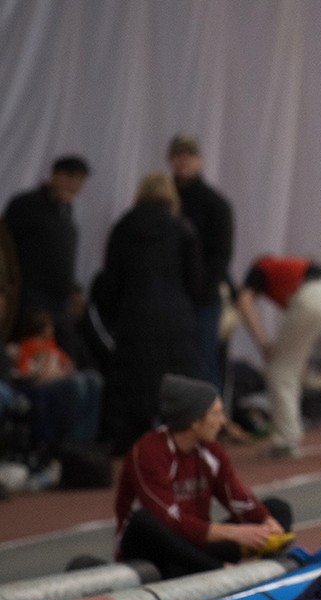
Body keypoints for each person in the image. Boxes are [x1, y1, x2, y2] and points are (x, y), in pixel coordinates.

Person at [115, 373, 293, 579]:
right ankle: (220, 571)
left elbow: (236, 496)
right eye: (216, 414)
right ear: (194, 421)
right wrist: (235, 533)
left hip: (196, 546)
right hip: (158, 551)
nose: (223, 421)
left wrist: (266, 521)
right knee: (143, 522)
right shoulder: (149, 451)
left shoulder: (210, 449)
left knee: (277, 508)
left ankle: (231, 566)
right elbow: (169, 520)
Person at [95, 172, 203, 454]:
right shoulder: (182, 229)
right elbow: (195, 280)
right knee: (178, 382)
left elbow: (111, 278)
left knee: (135, 387)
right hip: (176, 317)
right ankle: (181, 443)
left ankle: (136, 448)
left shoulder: (123, 227)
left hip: (135, 315)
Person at [236, 256, 321, 458]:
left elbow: (244, 301)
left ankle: (286, 441)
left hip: (315, 297)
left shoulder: (261, 267)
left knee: (280, 372)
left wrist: (262, 344)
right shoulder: (295, 267)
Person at [2, 155, 90, 353]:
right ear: (54, 175)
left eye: (79, 180)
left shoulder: (66, 213)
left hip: (59, 305)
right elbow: (6, 248)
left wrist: (74, 291)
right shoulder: (26, 205)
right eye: (70, 177)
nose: (74, 185)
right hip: (30, 300)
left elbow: (61, 259)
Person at [167, 133, 234, 391]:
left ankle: (211, 425)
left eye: (190, 155)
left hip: (203, 301)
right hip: (171, 298)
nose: (184, 161)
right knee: (172, 364)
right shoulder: (163, 202)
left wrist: (198, 290)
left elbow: (221, 257)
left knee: (203, 363)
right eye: (179, 155)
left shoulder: (216, 204)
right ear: (170, 159)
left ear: (200, 160)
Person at [14, 308, 103, 446]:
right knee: (77, 385)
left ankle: (86, 440)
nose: (51, 331)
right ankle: (72, 443)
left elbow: (68, 364)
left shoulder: (52, 345)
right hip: (43, 382)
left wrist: (64, 367)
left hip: (61, 376)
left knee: (95, 380)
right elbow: (24, 371)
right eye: (49, 327)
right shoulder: (28, 345)